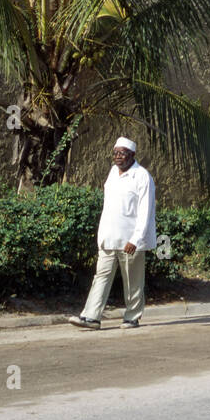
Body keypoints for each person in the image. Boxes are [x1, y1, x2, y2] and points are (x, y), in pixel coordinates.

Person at [68, 137, 156, 330]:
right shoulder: (112, 173)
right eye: (115, 153)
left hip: (130, 241)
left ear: (132, 155)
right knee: (101, 276)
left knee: (133, 280)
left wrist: (135, 239)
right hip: (108, 238)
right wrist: (101, 236)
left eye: (122, 153)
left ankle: (132, 316)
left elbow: (145, 212)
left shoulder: (142, 177)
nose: (117, 157)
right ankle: (91, 317)